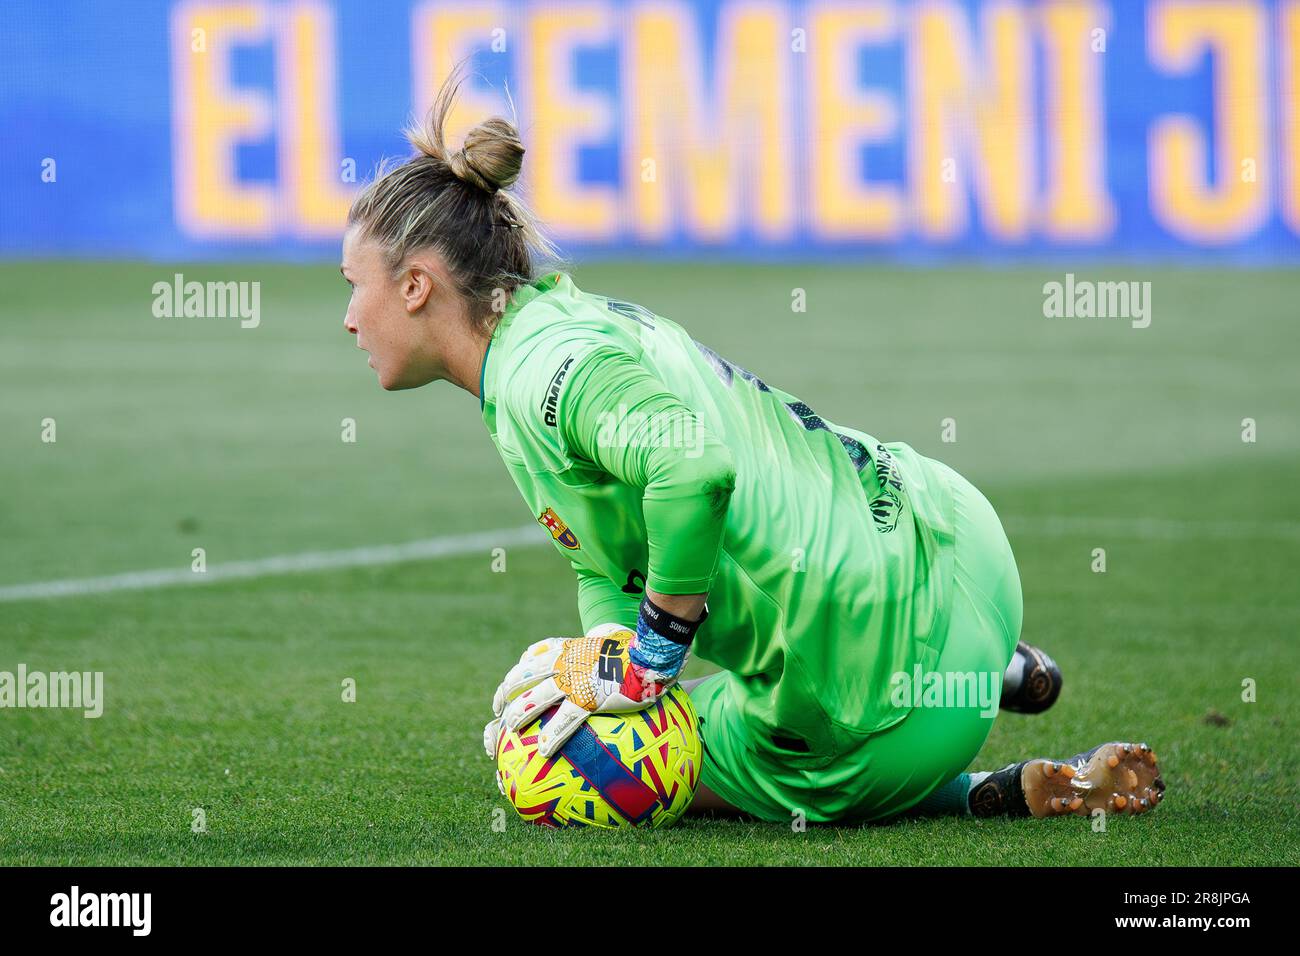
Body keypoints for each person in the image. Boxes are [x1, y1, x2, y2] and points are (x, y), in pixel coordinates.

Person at [340, 74, 1165, 824]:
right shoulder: (563, 324)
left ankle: (962, 776)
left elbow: (691, 469)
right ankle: (991, 675)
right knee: (657, 707)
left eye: (355, 286)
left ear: (415, 286)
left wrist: (655, 657)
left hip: (894, 701)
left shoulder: (535, 373)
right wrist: (615, 661)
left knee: (588, 768)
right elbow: (604, 560)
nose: (348, 318)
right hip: (960, 544)